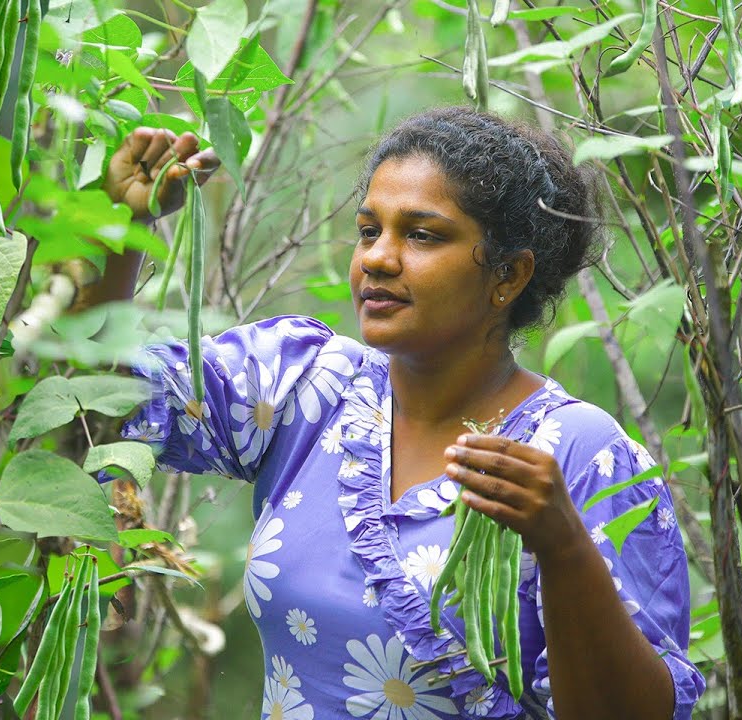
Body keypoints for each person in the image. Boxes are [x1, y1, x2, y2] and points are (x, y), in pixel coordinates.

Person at [85, 107, 705, 720]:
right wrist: (118, 232)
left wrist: (563, 546)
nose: (378, 258)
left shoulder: (575, 451)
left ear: (509, 275)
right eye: (368, 230)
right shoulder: (308, 384)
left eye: (422, 234)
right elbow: (88, 406)